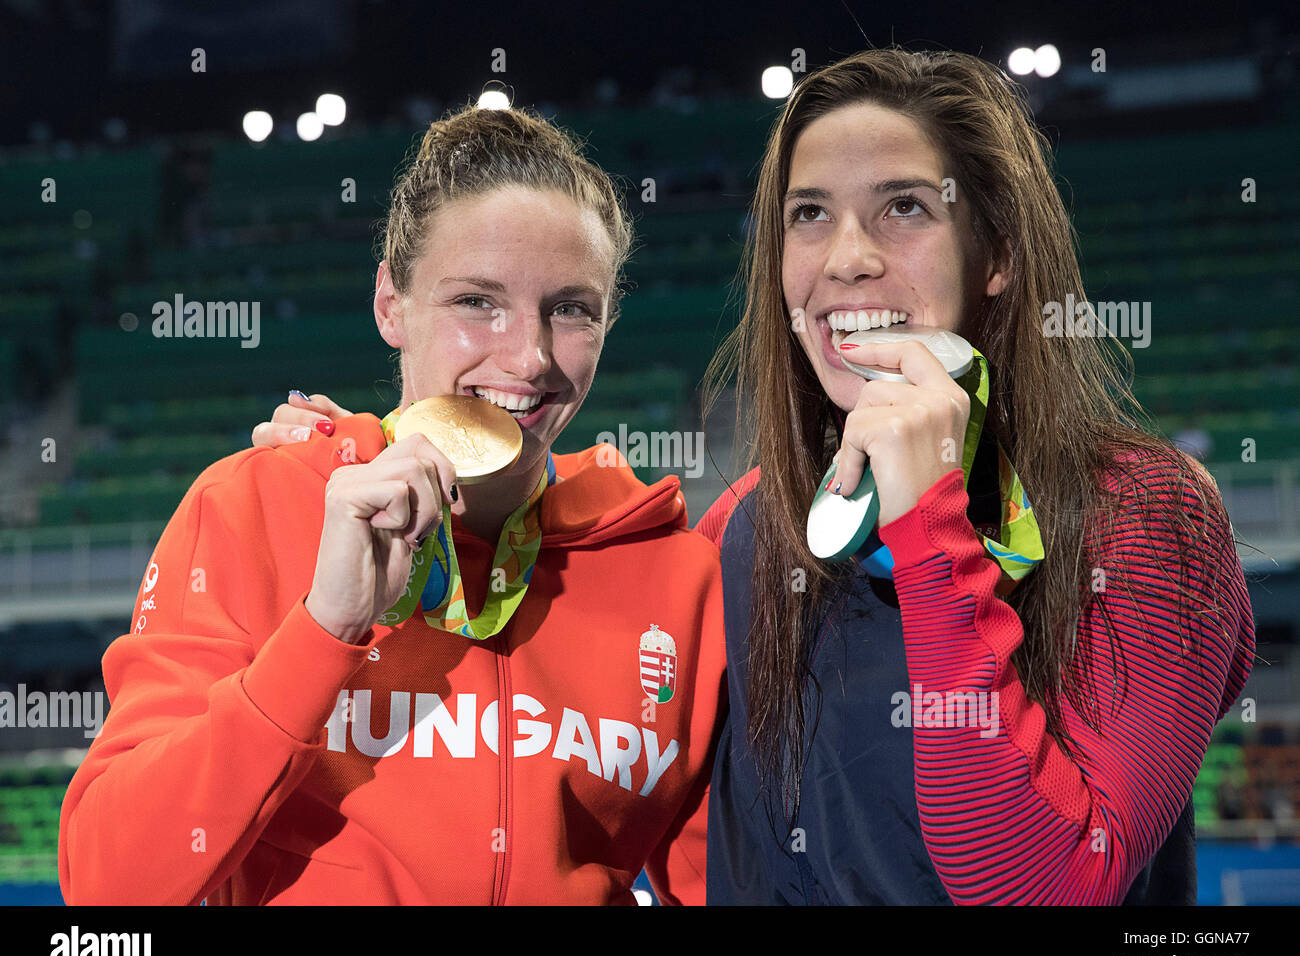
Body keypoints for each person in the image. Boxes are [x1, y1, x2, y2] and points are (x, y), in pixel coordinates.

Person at [255, 47, 1257, 906]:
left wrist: (934, 529)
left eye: (904, 208)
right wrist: (364, 450)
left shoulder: (1145, 517)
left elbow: (1036, 885)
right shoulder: (741, 533)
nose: (848, 259)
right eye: (809, 216)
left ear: (995, 251)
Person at [58, 104, 726, 906]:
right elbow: (107, 882)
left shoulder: (674, 573)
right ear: (390, 304)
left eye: (571, 308)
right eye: (476, 301)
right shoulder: (252, 508)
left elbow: (718, 885)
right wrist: (323, 629)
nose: (529, 356)